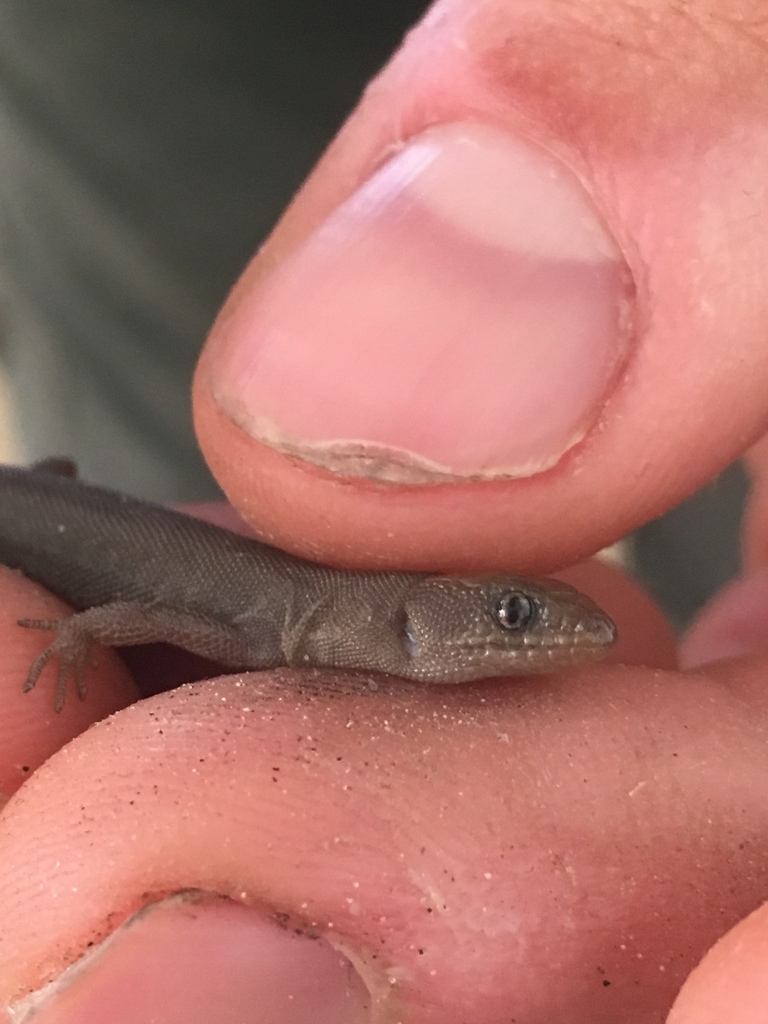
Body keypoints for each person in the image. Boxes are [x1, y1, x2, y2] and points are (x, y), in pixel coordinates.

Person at [1, 0, 768, 1021]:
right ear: (424, 624)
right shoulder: (276, 628)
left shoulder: (317, 621)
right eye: (512, 617)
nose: (546, 632)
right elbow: (149, 616)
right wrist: (81, 633)